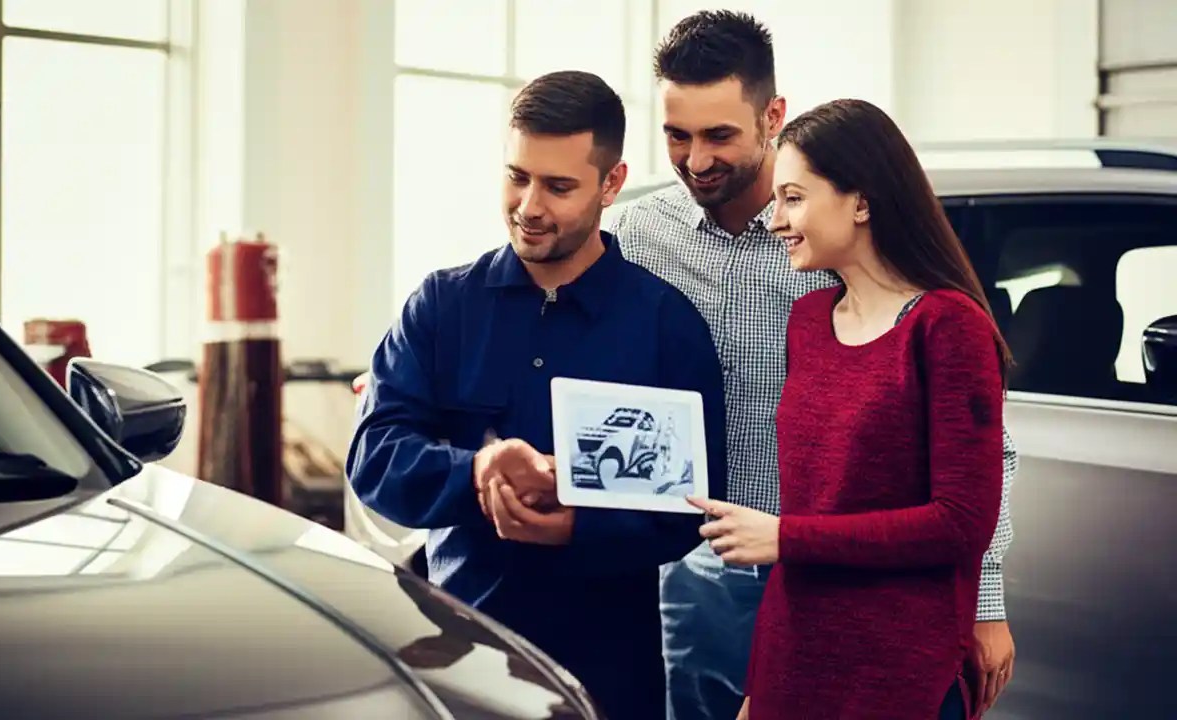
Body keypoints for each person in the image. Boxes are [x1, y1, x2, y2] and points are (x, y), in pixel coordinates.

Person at [607, 10, 1018, 719]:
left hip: (848, 578)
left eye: (720, 136)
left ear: (772, 116)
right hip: (706, 571)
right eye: (678, 136)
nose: (697, 158)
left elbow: (970, 478)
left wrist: (983, 602)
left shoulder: (856, 269)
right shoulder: (642, 235)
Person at [345, 69, 727, 720]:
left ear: (612, 183)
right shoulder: (441, 307)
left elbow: (693, 503)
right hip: (461, 665)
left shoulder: (667, 326)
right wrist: (475, 471)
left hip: (611, 678)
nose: (529, 206)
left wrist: (584, 527)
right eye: (517, 176)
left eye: (558, 186)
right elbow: (374, 456)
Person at [690, 96, 1008, 719]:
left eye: (795, 198)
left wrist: (783, 535)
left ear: (861, 201)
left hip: (898, 673)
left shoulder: (948, 327)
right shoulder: (808, 320)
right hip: (794, 660)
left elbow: (959, 523)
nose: (776, 218)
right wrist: (760, 683)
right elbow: (805, 519)